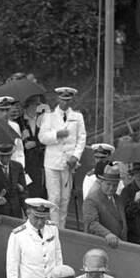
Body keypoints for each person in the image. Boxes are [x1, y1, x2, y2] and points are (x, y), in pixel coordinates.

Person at [5, 198, 63, 278]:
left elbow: (58, 258)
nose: (40, 222)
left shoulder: (52, 229)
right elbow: (12, 270)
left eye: (43, 218)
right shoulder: (18, 235)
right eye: (36, 217)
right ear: (28, 213)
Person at [39, 86, 86, 230]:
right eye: (62, 99)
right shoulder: (49, 116)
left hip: (68, 163)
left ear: (71, 100)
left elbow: (81, 138)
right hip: (52, 162)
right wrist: (56, 135)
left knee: (65, 199)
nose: (65, 102)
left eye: (68, 99)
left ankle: (62, 230)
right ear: (57, 99)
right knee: (54, 199)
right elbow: (42, 137)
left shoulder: (77, 117)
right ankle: (53, 229)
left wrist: (76, 156)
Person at [0, 140, 28, 218]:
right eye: (2, 156)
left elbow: (23, 192)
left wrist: (27, 211)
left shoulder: (18, 166)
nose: (5, 158)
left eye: (8, 155)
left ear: (11, 154)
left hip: (17, 212)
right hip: (0, 214)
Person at [82, 167, 126, 247]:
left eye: (114, 185)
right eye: (108, 184)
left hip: (119, 246)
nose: (111, 188)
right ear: (101, 182)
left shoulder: (118, 199)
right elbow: (91, 223)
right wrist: (107, 234)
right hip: (100, 245)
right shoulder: (91, 200)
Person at [19, 95, 48, 194]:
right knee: (27, 187)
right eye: (35, 105)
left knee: (40, 187)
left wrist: (36, 143)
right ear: (27, 106)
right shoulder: (19, 121)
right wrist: (24, 143)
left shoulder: (43, 120)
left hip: (40, 159)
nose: (37, 108)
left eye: (38, 105)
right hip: (25, 160)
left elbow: (48, 137)